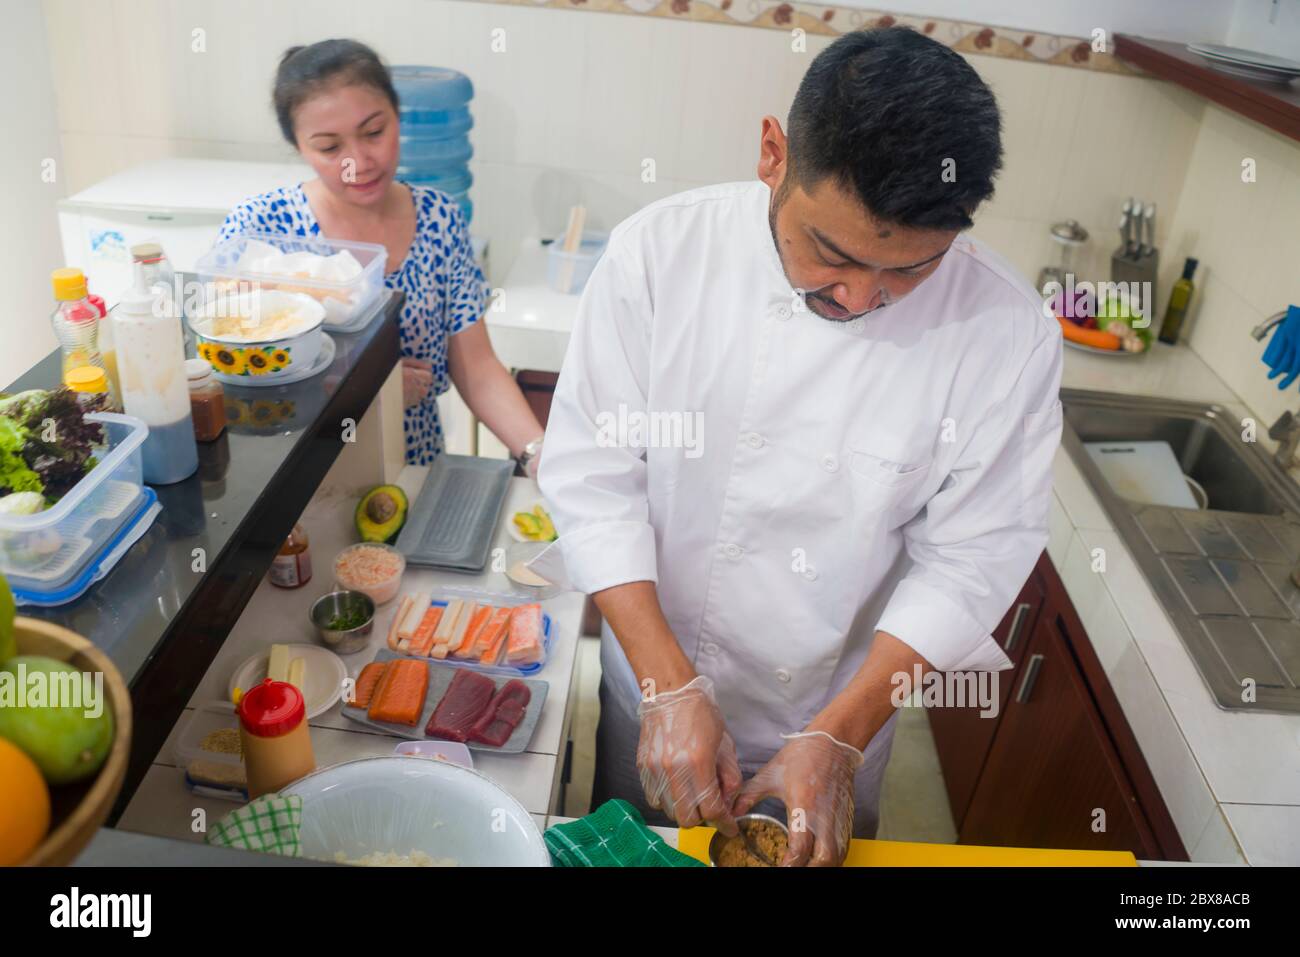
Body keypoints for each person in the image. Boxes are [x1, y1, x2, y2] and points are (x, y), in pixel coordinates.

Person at [537, 26, 1063, 866]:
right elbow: (594, 479)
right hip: (654, 686)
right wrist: (670, 683)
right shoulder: (659, 257)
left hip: (845, 712)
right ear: (772, 154)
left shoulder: (1007, 333)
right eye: (830, 253)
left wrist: (842, 736)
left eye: (910, 272)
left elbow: (973, 558)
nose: (860, 297)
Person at [217, 39, 545, 473]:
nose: (358, 162)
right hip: (298, 474)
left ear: (397, 116)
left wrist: (539, 454)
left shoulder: (439, 218)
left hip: (413, 464)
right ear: (299, 146)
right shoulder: (262, 230)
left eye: (374, 132)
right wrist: (373, 386)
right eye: (330, 148)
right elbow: (231, 377)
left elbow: (478, 367)